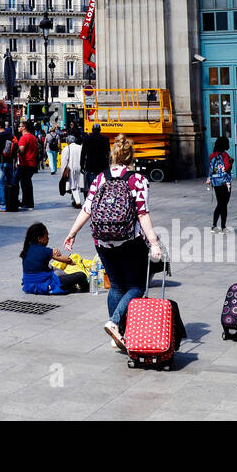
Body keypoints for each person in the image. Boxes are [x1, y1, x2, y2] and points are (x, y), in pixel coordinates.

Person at [63, 135, 164, 351]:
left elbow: (87, 209)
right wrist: (154, 243)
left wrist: (72, 233)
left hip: (102, 240)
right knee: (136, 286)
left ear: (113, 155)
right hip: (129, 241)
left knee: (116, 285)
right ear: (131, 156)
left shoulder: (100, 178)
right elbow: (142, 213)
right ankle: (115, 322)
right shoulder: (137, 179)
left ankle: (116, 332)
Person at [21, 222, 89, 295]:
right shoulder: (45, 251)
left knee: (52, 268)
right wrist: (73, 262)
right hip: (46, 285)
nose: (48, 239)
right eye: (46, 237)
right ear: (39, 239)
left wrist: (52, 252)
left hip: (29, 285)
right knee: (81, 275)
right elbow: (68, 260)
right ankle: (85, 289)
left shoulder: (26, 250)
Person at [207, 136, 233, 232]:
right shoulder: (225, 155)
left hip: (216, 183)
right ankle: (223, 227)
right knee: (224, 204)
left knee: (219, 203)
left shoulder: (212, 155)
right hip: (225, 182)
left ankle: (214, 226)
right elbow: (226, 167)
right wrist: (231, 162)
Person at [16, 120, 40, 210]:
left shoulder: (24, 138)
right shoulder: (33, 137)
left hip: (25, 163)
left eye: (20, 126)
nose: (18, 127)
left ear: (24, 128)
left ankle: (26, 203)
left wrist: (16, 151)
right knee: (27, 183)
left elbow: (21, 150)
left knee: (22, 183)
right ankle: (29, 203)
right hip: (32, 163)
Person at [60, 130, 85, 207]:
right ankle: (74, 200)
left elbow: (64, 161)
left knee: (73, 185)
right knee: (78, 184)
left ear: (68, 141)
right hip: (80, 168)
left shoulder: (67, 148)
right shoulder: (80, 147)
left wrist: (63, 171)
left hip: (71, 168)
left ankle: (77, 202)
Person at [81, 122, 110, 189]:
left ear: (92, 129)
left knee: (92, 184)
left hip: (90, 165)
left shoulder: (86, 139)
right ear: (100, 130)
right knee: (102, 183)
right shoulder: (105, 139)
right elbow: (108, 153)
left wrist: (82, 165)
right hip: (102, 165)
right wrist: (108, 165)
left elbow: (83, 153)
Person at [0, 118, 14, 210]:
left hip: (0, 163)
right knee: (10, 183)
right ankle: (12, 202)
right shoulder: (11, 135)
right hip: (9, 162)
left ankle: (2, 204)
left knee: (0, 184)